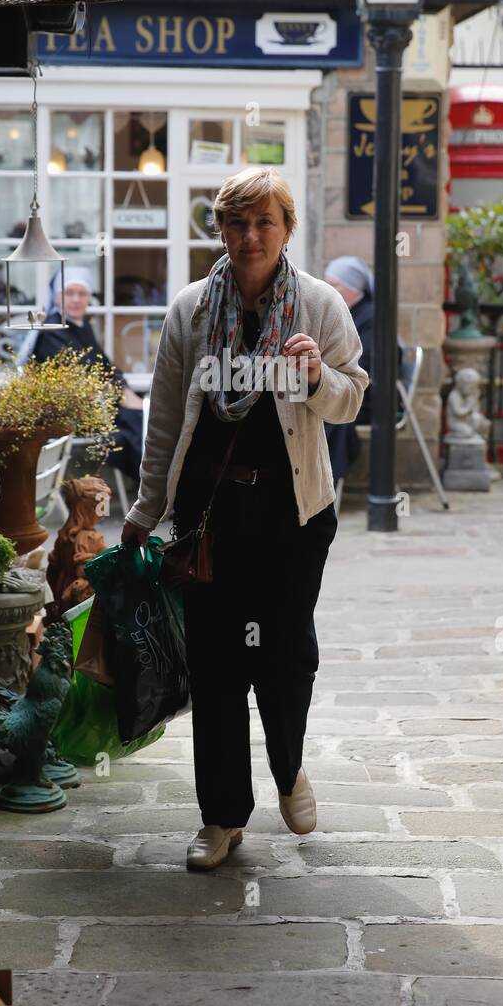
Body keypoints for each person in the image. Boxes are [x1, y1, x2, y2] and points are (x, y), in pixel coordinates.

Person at [121, 166, 368, 871]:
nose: (250, 236)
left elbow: (355, 398)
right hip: (209, 514)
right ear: (222, 232)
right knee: (218, 664)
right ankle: (223, 816)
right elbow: (166, 420)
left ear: (288, 230)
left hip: (294, 513)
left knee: (286, 655)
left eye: (265, 222)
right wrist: (144, 511)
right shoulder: (192, 311)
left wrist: (319, 376)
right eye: (237, 223)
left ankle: (288, 767)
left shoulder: (317, 306)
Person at [17, 267, 144, 483]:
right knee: (138, 425)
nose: (76, 299)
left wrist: (126, 389)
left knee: (144, 421)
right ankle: (152, 488)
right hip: (72, 414)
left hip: (100, 406)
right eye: (69, 293)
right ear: (57, 297)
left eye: (82, 293)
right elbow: (83, 379)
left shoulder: (81, 326)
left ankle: (154, 487)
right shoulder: (51, 332)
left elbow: (105, 366)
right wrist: (121, 395)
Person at [322, 256, 404, 483]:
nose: (330, 290)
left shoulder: (371, 317)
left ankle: (325, 482)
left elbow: (365, 366)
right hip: (343, 390)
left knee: (324, 415)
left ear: (354, 288)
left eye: (336, 285)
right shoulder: (346, 313)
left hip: (370, 401)